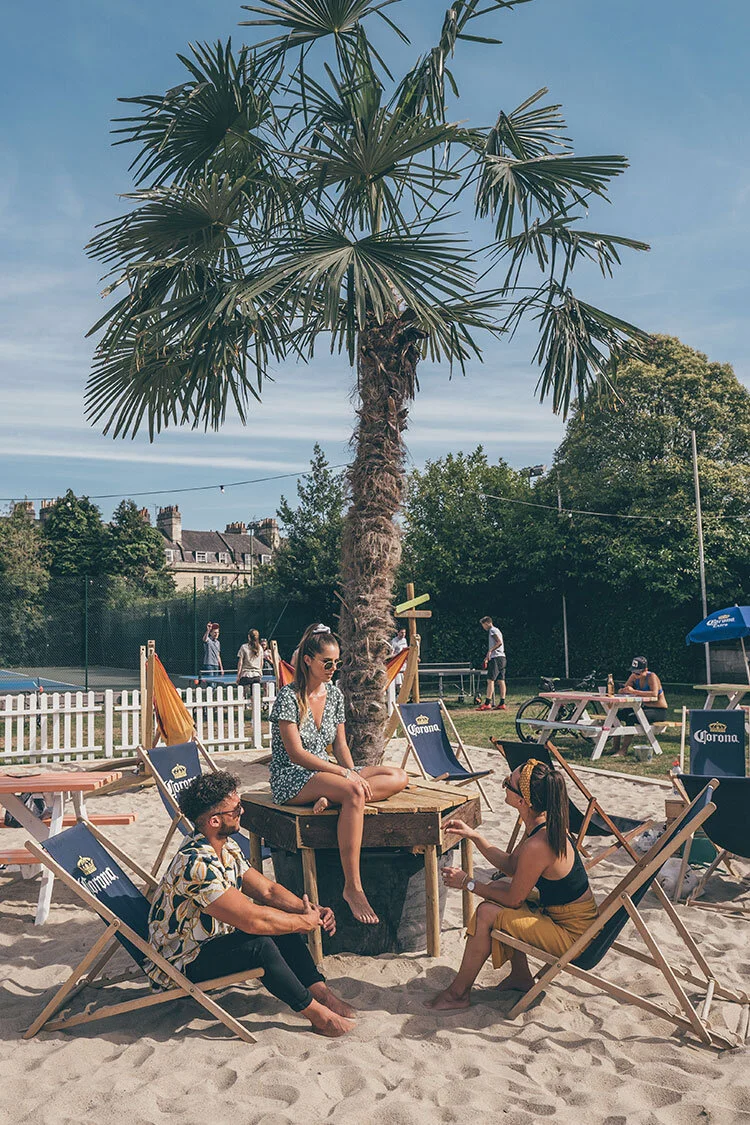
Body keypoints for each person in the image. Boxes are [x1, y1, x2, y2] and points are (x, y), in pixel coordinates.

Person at [144, 770, 355, 1037]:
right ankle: (319, 1016)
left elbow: (267, 890)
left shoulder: (226, 846)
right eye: (236, 809)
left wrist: (308, 909)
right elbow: (252, 920)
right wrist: (304, 923)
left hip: (210, 942)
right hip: (181, 962)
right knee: (261, 945)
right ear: (214, 820)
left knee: (282, 929)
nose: (242, 812)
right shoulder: (195, 864)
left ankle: (322, 995)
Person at [425, 758, 598, 1009]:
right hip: (567, 917)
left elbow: (513, 900)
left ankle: (458, 994)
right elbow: (510, 865)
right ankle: (520, 976)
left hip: (574, 936)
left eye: (508, 783)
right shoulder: (541, 826)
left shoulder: (539, 844)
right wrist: (473, 835)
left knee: (487, 912)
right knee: (498, 889)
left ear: (522, 801)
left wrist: (468, 883)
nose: (503, 784)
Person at [270, 622, 409, 925]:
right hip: (293, 775)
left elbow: (340, 744)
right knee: (354, 790)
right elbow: (296, 754)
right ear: (308, 660)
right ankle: (353, 886)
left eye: (338, 662)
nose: (335, 668)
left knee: (399, 777)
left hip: (325, 770)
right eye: (328, 662)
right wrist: (346, 777)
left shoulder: (333, 694)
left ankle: (333, 801)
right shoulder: (288, 697)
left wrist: (350, 772)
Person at [610, 656, 668, 757]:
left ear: (645, 670)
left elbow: (654, 694)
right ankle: (615, 747)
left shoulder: (652, 677)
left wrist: (634, 692)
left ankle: (624, 750)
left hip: (658, 711)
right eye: (633, 672)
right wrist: (623, 690)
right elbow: (623, 689)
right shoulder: (634, 676)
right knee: (616, 715)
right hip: (644, 708)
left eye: (638, 673)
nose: (635, 675)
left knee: (631, 717)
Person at [477, 615, 506, 711]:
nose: (483, 627)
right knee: (501, 681)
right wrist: (487, 656)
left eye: (483, 625)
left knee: (490, 680)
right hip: (502, 658)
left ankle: (487, 703)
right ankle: (502, 703)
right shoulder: (498, 630)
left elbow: (499, 642)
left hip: (496, 658)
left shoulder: (492, 630)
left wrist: (490, 651)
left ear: (487, 623)